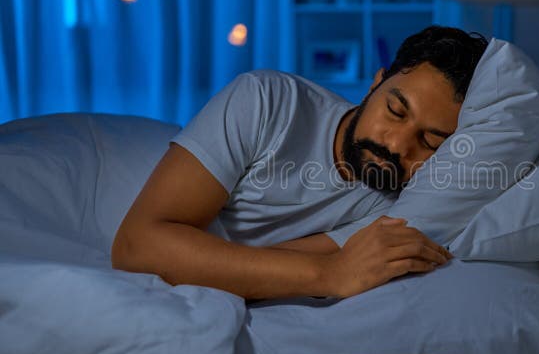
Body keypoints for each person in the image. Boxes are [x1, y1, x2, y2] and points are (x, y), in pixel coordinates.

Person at [112, 26, 489, 300]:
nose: (396, 145)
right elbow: (136, 245)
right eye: (395, 111)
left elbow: (268, 264)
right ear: (375, 84)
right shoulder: (267, 102)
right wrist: (328, 273)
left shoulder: (407, 202)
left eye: (430, 141)